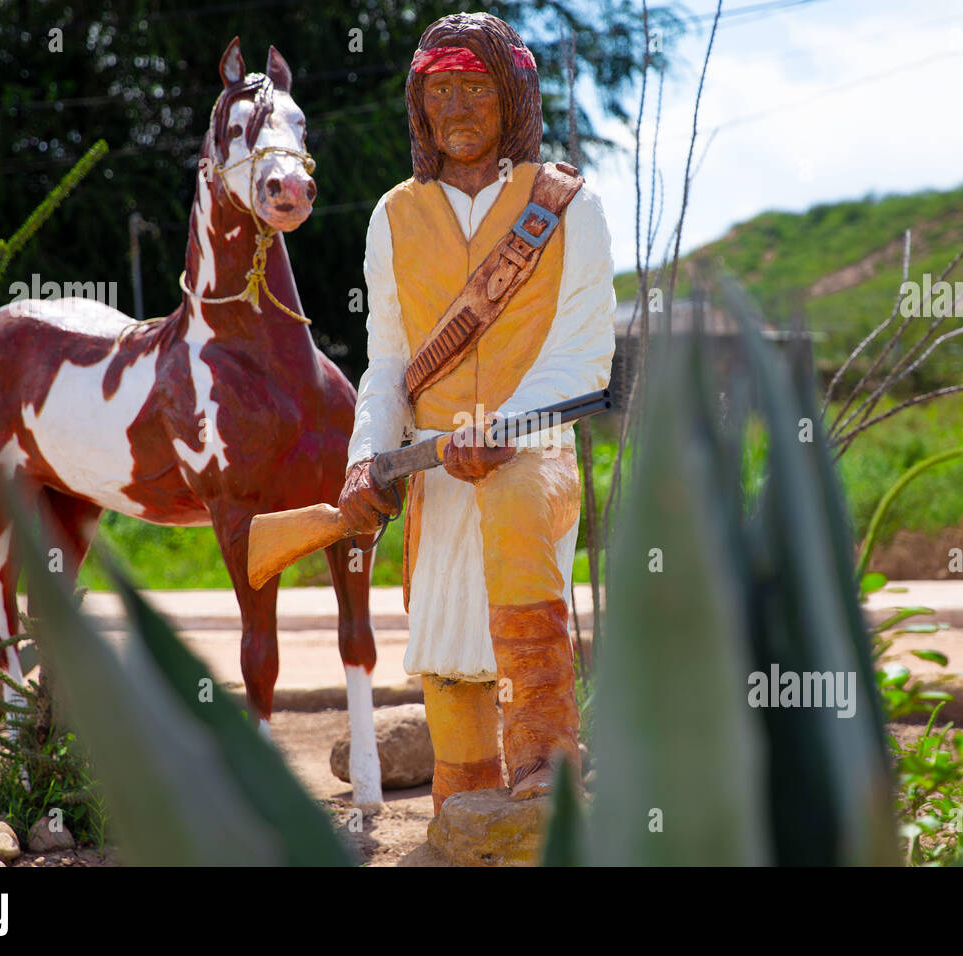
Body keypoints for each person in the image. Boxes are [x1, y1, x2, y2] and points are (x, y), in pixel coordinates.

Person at [338, 11, 615, 813]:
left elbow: (582, 351)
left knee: (520, 539)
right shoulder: (393, 215)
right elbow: (387, 357)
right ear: (418, 107)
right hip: (431, 460)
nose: (457, 110)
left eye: (476, 89)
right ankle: (459, 803)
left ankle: (542, 770)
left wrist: (507, 430)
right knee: (444, 637)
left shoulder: (567, 207)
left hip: (533, 453)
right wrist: (366, 454)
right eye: (440, 92)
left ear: (513, 98)